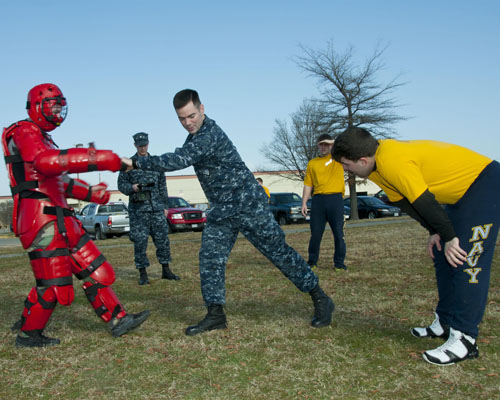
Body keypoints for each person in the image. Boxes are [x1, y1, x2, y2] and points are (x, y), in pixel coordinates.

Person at [122, 89, 334, 336]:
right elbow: (184, 154)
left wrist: (136, 162)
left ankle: (320, 298)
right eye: (182, 118)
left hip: (248, 206)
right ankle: (215, 315)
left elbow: (179, 160)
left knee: (279, 253)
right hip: (222, 211)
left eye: (191, 115)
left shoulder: (209, 134)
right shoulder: (194, 138)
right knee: (210, 258)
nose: (187, 122)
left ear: (202, 108)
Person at [332, 126, 499, 366]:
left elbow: (425, 200)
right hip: (460, 196)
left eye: (346, 165)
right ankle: (445, 321)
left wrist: (451, 236)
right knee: (442, 252)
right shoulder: (376, 168)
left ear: (362, 160)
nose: (345, 169)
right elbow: (408, 204)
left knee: (467, 259)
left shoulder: (392, 161)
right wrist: (435, 232)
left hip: (485, 185)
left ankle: (465, 339)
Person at [2, 83, 149, 347]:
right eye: (53, 106)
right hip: (41, 220)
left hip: (62, 217)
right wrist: (98, 158)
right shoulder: (24, 132)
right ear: (38, 106)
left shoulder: (43, 138)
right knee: (53, 285)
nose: (58, 111)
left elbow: (61, 182)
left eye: (60, 106)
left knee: (96, 269)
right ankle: (28, 334)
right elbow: (44, 162)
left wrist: (94, 194)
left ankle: (119, 319)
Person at [118, 132, 179, 285]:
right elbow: (121, 185)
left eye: (145, 144)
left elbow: (163, 187)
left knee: (163, 240)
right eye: (140, 145)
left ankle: (166, 270)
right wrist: (132, 187)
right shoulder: (128, 164)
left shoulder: (156, 163)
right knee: (140, 242)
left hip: (157, 209)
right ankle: (143, 273)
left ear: (148, 143)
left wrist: (165, 206)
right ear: (135, 146)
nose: (143, 147)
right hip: (138, 211)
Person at [301, 134, 347, 271]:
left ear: (331, 145)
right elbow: (308, 184)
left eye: (326, 144)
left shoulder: (337, 159)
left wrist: (332, 143)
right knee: (315, 234)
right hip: (318, 201)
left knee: (339, 234)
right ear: (318, 145)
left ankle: (339, 264)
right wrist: (304, 202)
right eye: (321, 144)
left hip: (336, 199)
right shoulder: (312, 163)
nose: (323, 147)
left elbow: (344, 147)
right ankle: (312, 262)